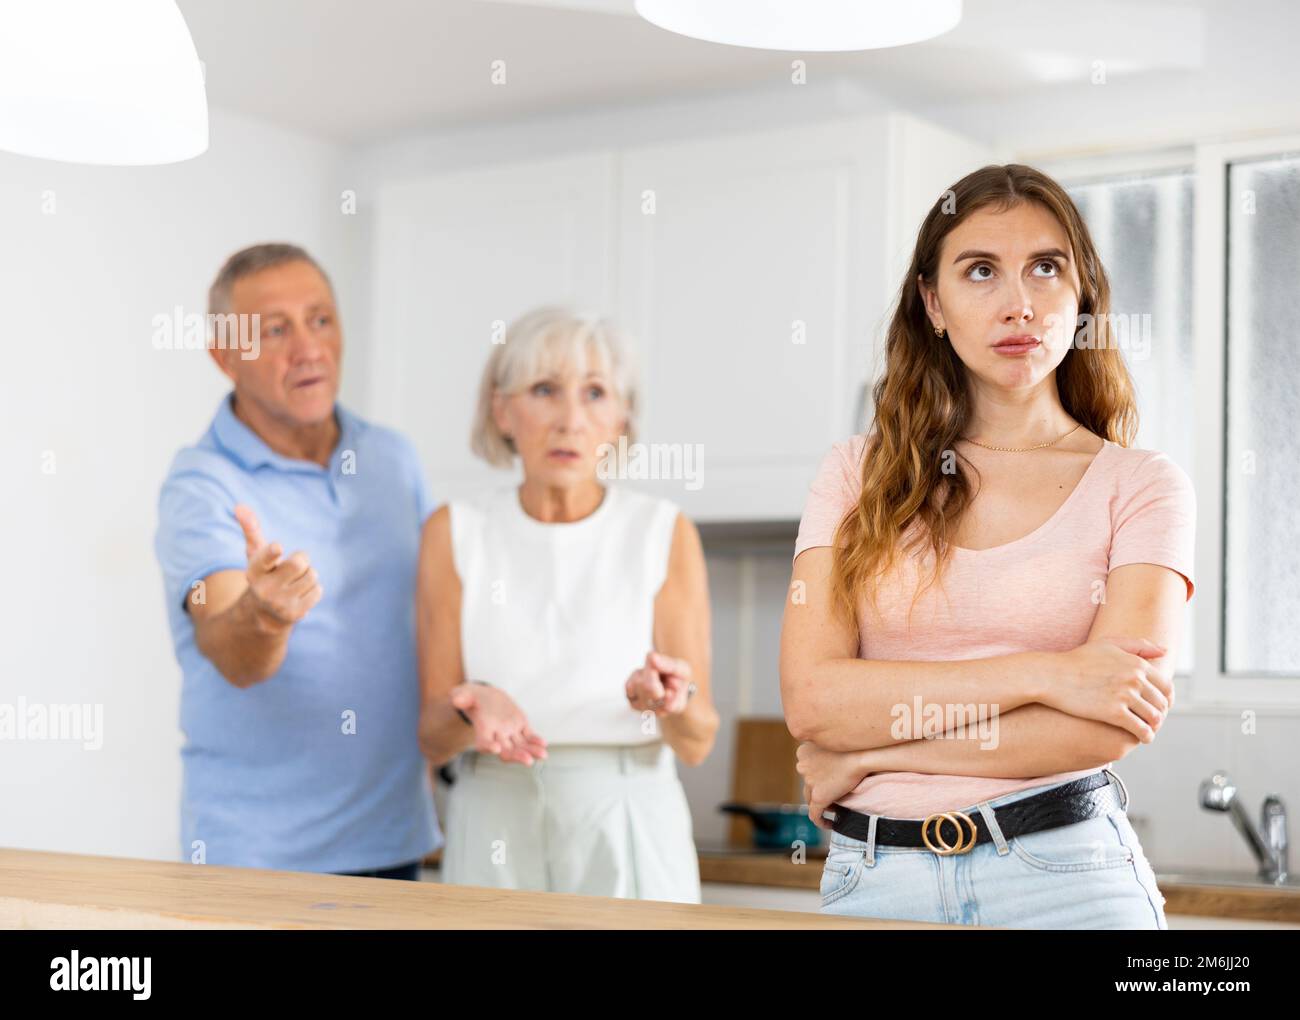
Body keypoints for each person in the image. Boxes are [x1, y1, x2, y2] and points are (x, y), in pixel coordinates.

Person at [781, 164, 1195, 928]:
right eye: (981, 271)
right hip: (876, 883)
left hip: (1069, 881)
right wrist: (1051, 673)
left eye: (1046, 267)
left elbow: (1105, 724)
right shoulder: (853, 474)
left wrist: (871, 753)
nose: (1019, 303)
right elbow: (815, 702)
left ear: (1081, 296)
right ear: (933, 304)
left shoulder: (1142, 485)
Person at [154, 243, 438, 878]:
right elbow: (230, 649)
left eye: (321, 319)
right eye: (275, 330)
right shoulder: (202, 485)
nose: (309, 349)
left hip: (394, 840)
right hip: (257, 859)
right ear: (224, 356)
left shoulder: (393, 459)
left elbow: (437, 620)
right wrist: (265, 613)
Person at [416, 307, 718, 902]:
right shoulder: (453, 531)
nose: (570, 420)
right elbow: (432, 737)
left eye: (595, 393)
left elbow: (697, 739)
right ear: (502, 411)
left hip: (628, 814)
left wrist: (668, 699)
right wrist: (472, 703)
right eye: (544, 390)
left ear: (622, 418)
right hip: (492, 812)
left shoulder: (662, 531)